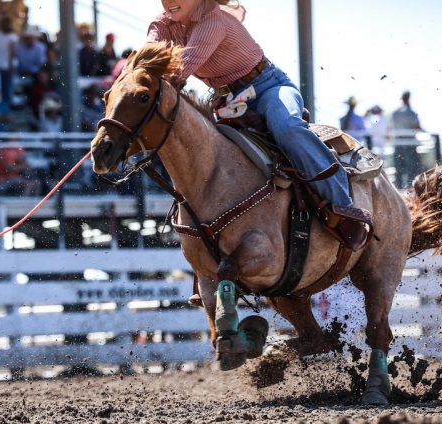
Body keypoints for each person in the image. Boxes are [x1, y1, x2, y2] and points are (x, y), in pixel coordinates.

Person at [147, 0, 372, 251]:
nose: (169, 1)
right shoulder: (161, 24)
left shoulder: (213, 20)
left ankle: (344, 207)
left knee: (288, 128)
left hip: (269, 87)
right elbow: (145, 60)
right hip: (227, 101)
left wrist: (143, 83)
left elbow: (180, 68)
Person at [390, 90, 423, 189]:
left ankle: (398, 188)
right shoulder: (411, 112)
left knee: (398, 167)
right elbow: (417, 126)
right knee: (412, 168)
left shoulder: (395, 112)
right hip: (410, 144)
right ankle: (411, 188)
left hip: (398, 143)